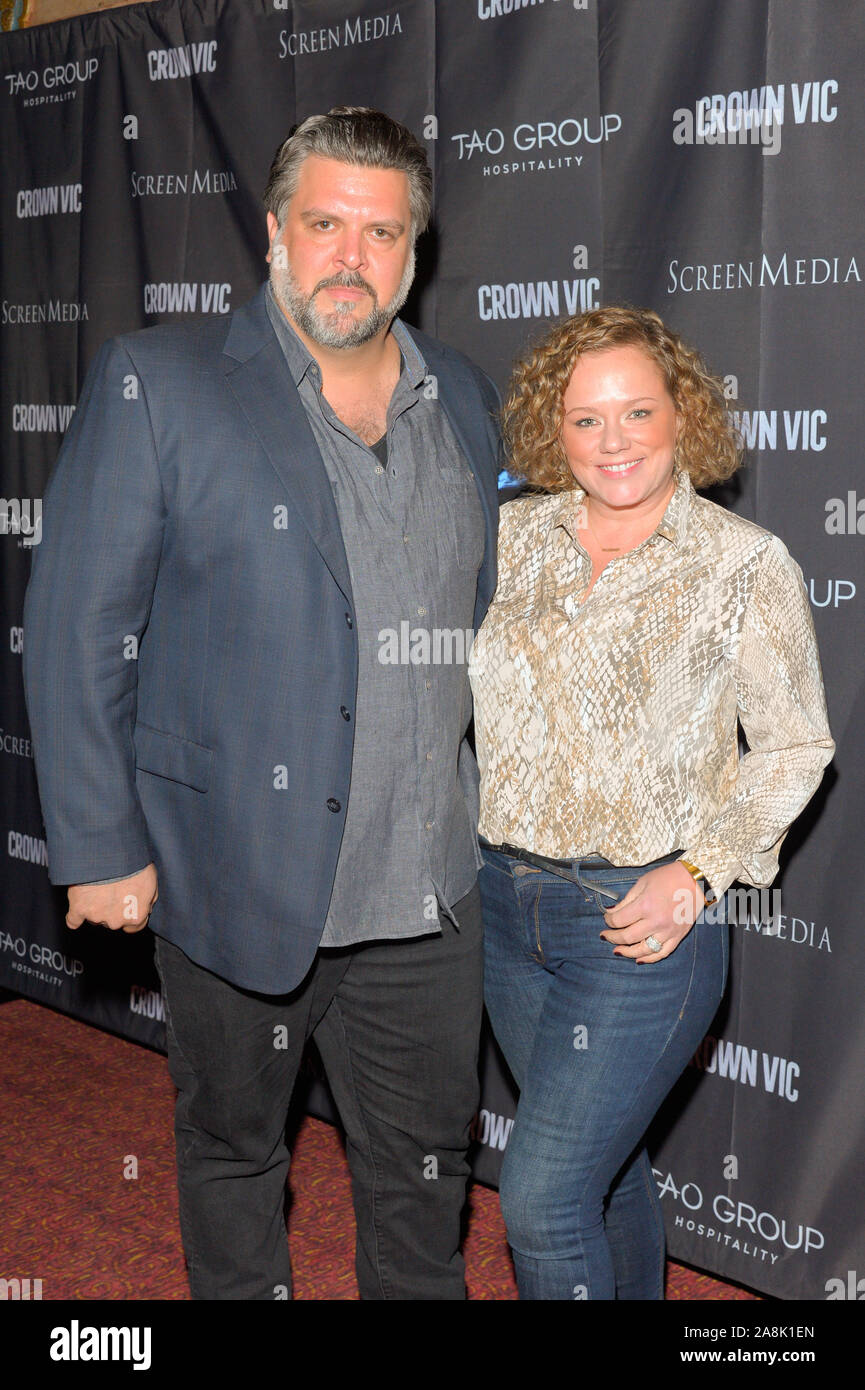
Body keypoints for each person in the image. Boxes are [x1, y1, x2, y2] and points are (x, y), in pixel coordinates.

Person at [22, 108, 502, 1300]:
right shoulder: (162, 383)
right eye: (325, 223)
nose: (351, 254)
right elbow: (80, 627)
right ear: (276, 234)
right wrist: (98, 841)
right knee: (235, 1155)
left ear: (414, 252)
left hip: (429, 890)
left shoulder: (467, 399)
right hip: (231, 870)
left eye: (381, 232)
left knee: (421, 1181)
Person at [467, 306, 834, 1300]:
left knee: (540, 1200)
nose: (612, 440)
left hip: (640, 928)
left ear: (683, 416)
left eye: (636, 411)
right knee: (604, 1173)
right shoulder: (506, 539)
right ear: (553, 428)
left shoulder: (740, 562)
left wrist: (698, 870)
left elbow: (796, 743)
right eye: (584, 419)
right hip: (506, 910)